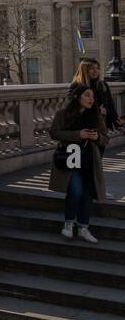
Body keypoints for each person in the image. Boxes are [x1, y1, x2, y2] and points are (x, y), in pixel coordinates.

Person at [50, 85, 109, 243]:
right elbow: (54, 133)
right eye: (87, 95)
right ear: (77, 97)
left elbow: (105, 139)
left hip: (90, 159)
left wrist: (96, 137)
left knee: (88, 194)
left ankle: (83, 227)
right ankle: (68, 224)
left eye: (93, 96)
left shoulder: (96, 116)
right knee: (75, 191)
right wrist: (78, 135)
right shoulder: (63, 114)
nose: (91, 99)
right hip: (72, 158)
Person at [67, 58, 121, 130]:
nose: (96, 71)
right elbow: (72, 106)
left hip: (101, 125)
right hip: (82, 125)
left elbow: (110, 106)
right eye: (92, 68)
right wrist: (97, 109)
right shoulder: (76, 86)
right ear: (84, 70)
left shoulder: (102, 85)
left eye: (97, 68)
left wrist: (117, 124)